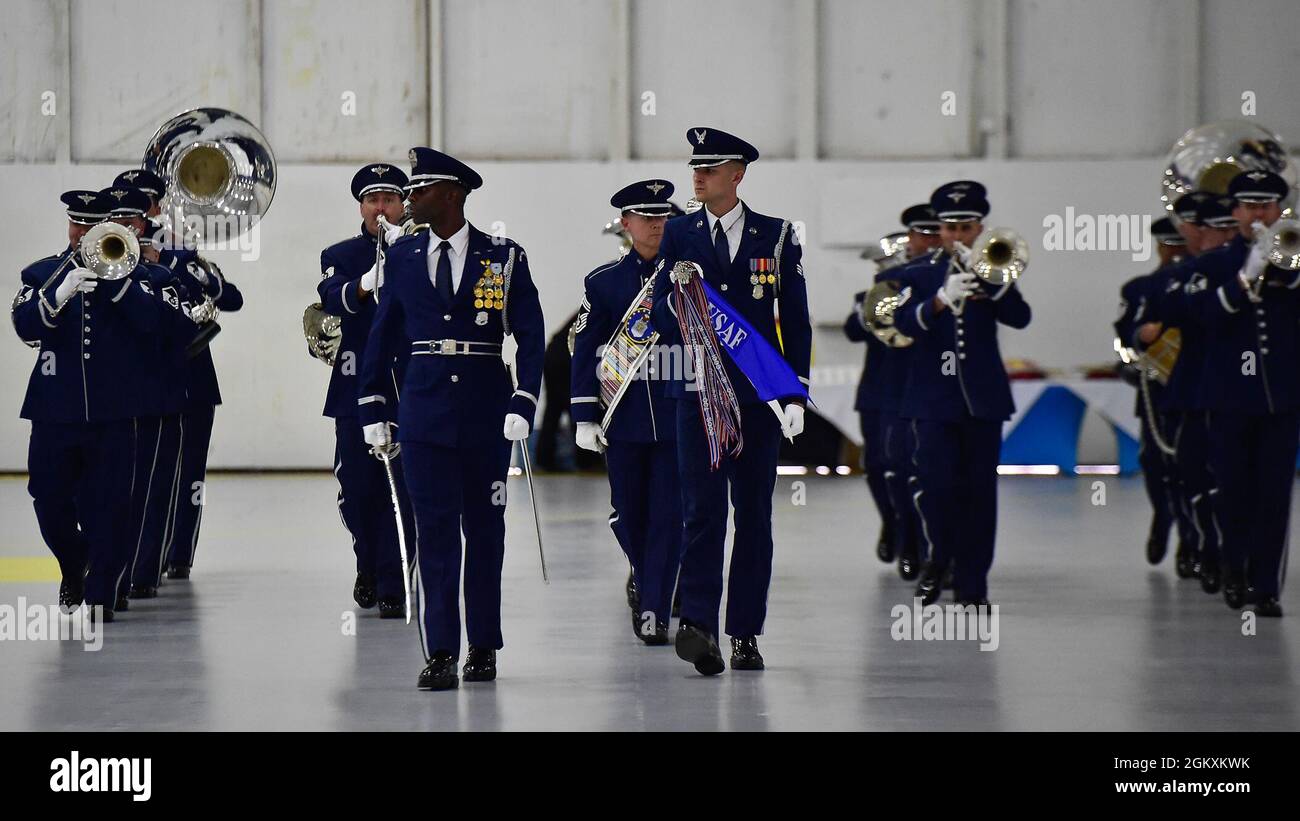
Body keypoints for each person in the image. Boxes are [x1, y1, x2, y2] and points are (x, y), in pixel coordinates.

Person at [357, 147, 545, 689]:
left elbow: (529, 335)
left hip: (486, 412)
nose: (409, 198)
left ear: (454, 194)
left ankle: (483, 646)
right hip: (423, 415)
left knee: (485, 532)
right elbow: (384, 333)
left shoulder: (503, 256)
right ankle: (440, 650)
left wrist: (525, 400)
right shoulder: (404, 256)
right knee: (435, 535)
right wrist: (372, 403)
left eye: (422, 190)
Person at [649, 127, 812, 675]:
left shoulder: (777, 235)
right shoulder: (677, 233)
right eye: (695, 167)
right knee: (701, 513)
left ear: (737, 174)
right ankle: (699, 626)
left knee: (755, 519)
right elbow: (656, 318)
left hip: (758, 399)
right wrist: (682, 301)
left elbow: (796, 320)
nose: (698, 176)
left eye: (711, 168)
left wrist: (794, 392)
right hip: (696, 395)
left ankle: (744, 632)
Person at [892, 181, 1032, 606]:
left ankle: (974, 586)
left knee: (979, 496)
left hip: (982, 403)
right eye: (949, 228)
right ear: (939, 229)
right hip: (933, 402)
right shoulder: (918, 273)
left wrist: (989, 282)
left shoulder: (995, 271)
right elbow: (902, 325)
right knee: (936, 489)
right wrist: (936, 302)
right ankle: (940, 558)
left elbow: (1021, 317)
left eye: (965, 227)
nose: (956, 236)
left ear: (979, 228)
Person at [571, 179, 682, 644]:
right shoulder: (604, 282)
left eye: (663, 217)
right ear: (627, 223)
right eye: (645, 217)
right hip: (627, 414)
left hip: (680, 410)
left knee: (670, 515)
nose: (656, 225)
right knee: (627, 514)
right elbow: (584, 349)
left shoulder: (692, 275)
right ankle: (643, 571)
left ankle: (654, 606)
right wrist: (583, 414)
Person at [1187, 170, 1299, 616]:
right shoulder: (1213, 264)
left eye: (1266, 206)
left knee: (1275, 493)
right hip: (1230, 399)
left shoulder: (1295, 259)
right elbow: (1199, 318)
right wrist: (1244, 279)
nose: (1258, 214)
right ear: (1235, 213)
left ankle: (1266, 586)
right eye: (1249, 206)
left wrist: (1287, 275)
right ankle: (1235, 569)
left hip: (1281, 399)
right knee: (1233, 491)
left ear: (1279, 211)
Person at [318, 163, 411, 616]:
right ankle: (367, 563)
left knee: (406, 490)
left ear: (403, 204)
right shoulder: (341, 253)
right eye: (373, 200)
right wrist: (364, 284)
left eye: (390, 199)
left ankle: (395, 581)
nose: (382, 208)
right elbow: (332, 297)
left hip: (410, 390)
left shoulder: (421, 248)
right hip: (355, 391)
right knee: (356, 489)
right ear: (362, 206)